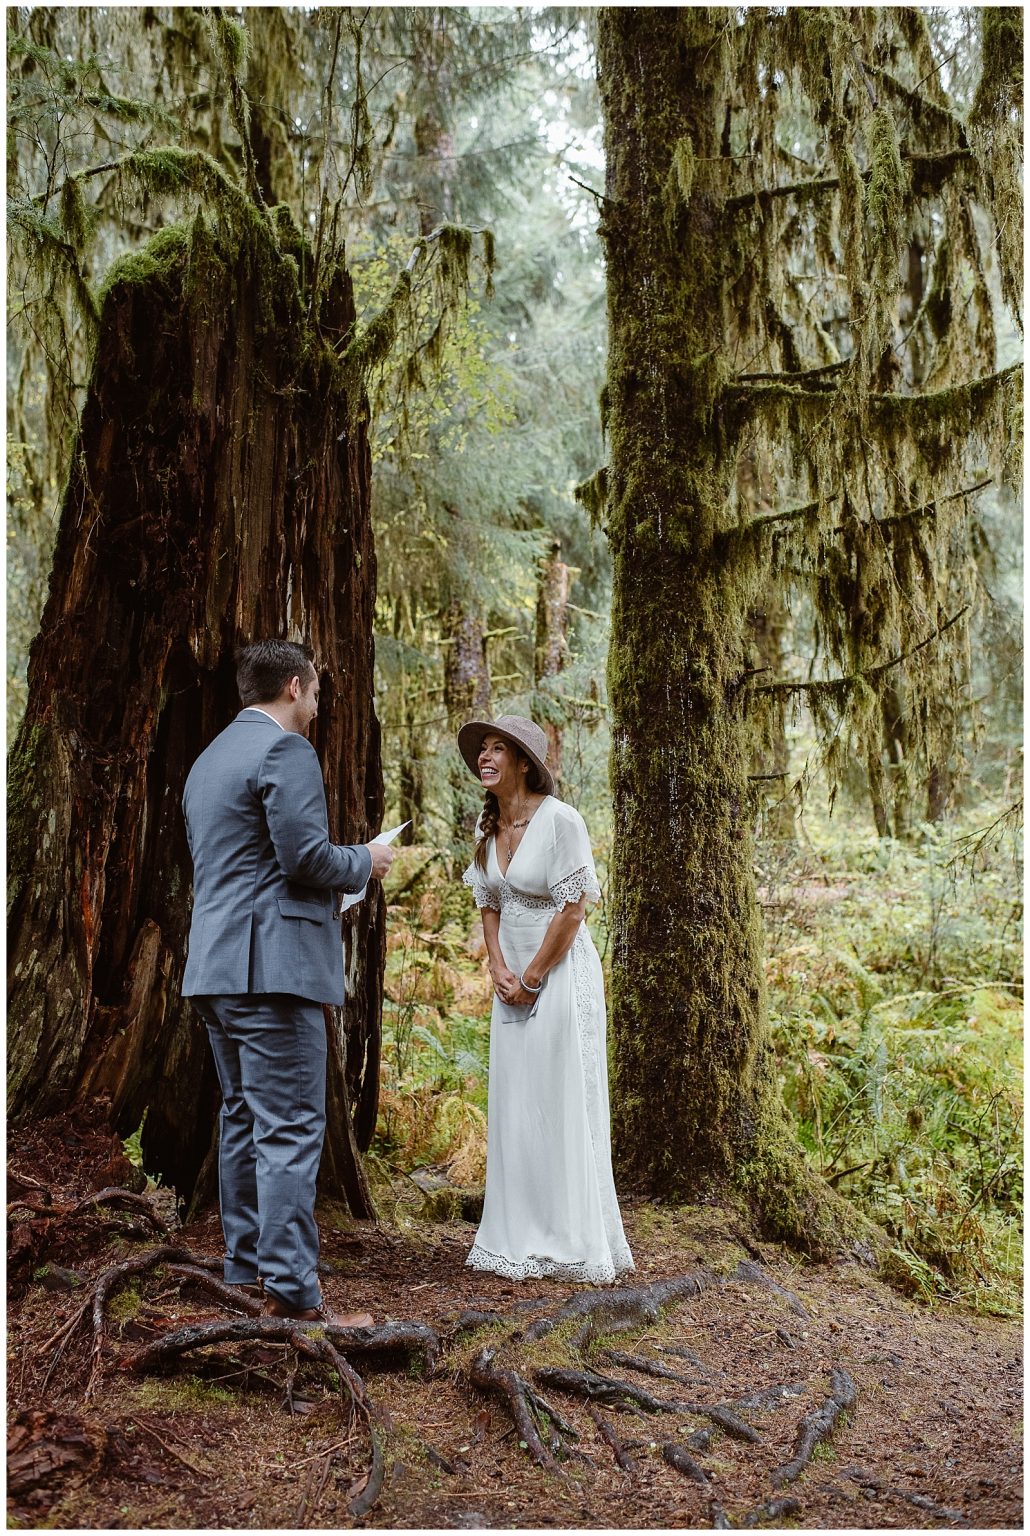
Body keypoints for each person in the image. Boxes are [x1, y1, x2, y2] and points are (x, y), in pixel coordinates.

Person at [182, 639, 395, 1322]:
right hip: (272, 972)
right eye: (317, 689)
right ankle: (295, 1299)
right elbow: (303, 858)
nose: (319, 700)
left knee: (244, 1117)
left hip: (215, 969)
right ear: (296, 687)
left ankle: (244, 1270)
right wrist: (366, 859)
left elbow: (244, 867)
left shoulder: (209, 759)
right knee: (292, 1127)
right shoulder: (286, 751)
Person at [457, 714, 634, 1284]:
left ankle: (571, 1239)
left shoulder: (561, 821)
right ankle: (516, 1234)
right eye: (481, 750)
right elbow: (488, 903)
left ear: (524, 762)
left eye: (497, 750)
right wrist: (498, 967)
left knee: (559, 1099)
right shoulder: (488, 828)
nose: (485, 758)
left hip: (558, 976)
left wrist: (531, 977)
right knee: (516, 1103)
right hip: (510, 981)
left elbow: (574, 908)